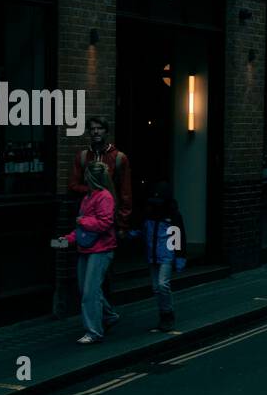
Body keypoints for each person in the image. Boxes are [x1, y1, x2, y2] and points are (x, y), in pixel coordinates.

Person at [52, 162, 120, 344]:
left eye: (85, 175)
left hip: (102, 250)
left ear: (91, 178)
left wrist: (84, 221)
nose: (83, 178)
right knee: (86, 290)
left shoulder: (105, 197)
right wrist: (65, 240)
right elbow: (81, 230)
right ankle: (110, 316)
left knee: (90, 292)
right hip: (86, 248)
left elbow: (105, 223)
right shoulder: (87, 198)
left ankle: (94, 332)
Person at [135, 182, 187, 333]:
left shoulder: (173, 215)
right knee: (157, 288)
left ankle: (167, 315)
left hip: (166, 254)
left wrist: (179, 257)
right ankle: (164, 315)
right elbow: (144, 231)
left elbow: (178, 237)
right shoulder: (149, 214)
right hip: (153, 254)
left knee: (163, 285)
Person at [68, 116, 133, 232]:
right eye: (92, 129)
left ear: (107, 132)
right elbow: (73, 185)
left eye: (100, 128)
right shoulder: (82, 157)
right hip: (88, 216)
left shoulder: (119, 158)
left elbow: (125, 193)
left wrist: (123, 224)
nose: (96, 131)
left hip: (111, 215)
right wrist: (93, 190)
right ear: (89, 132)